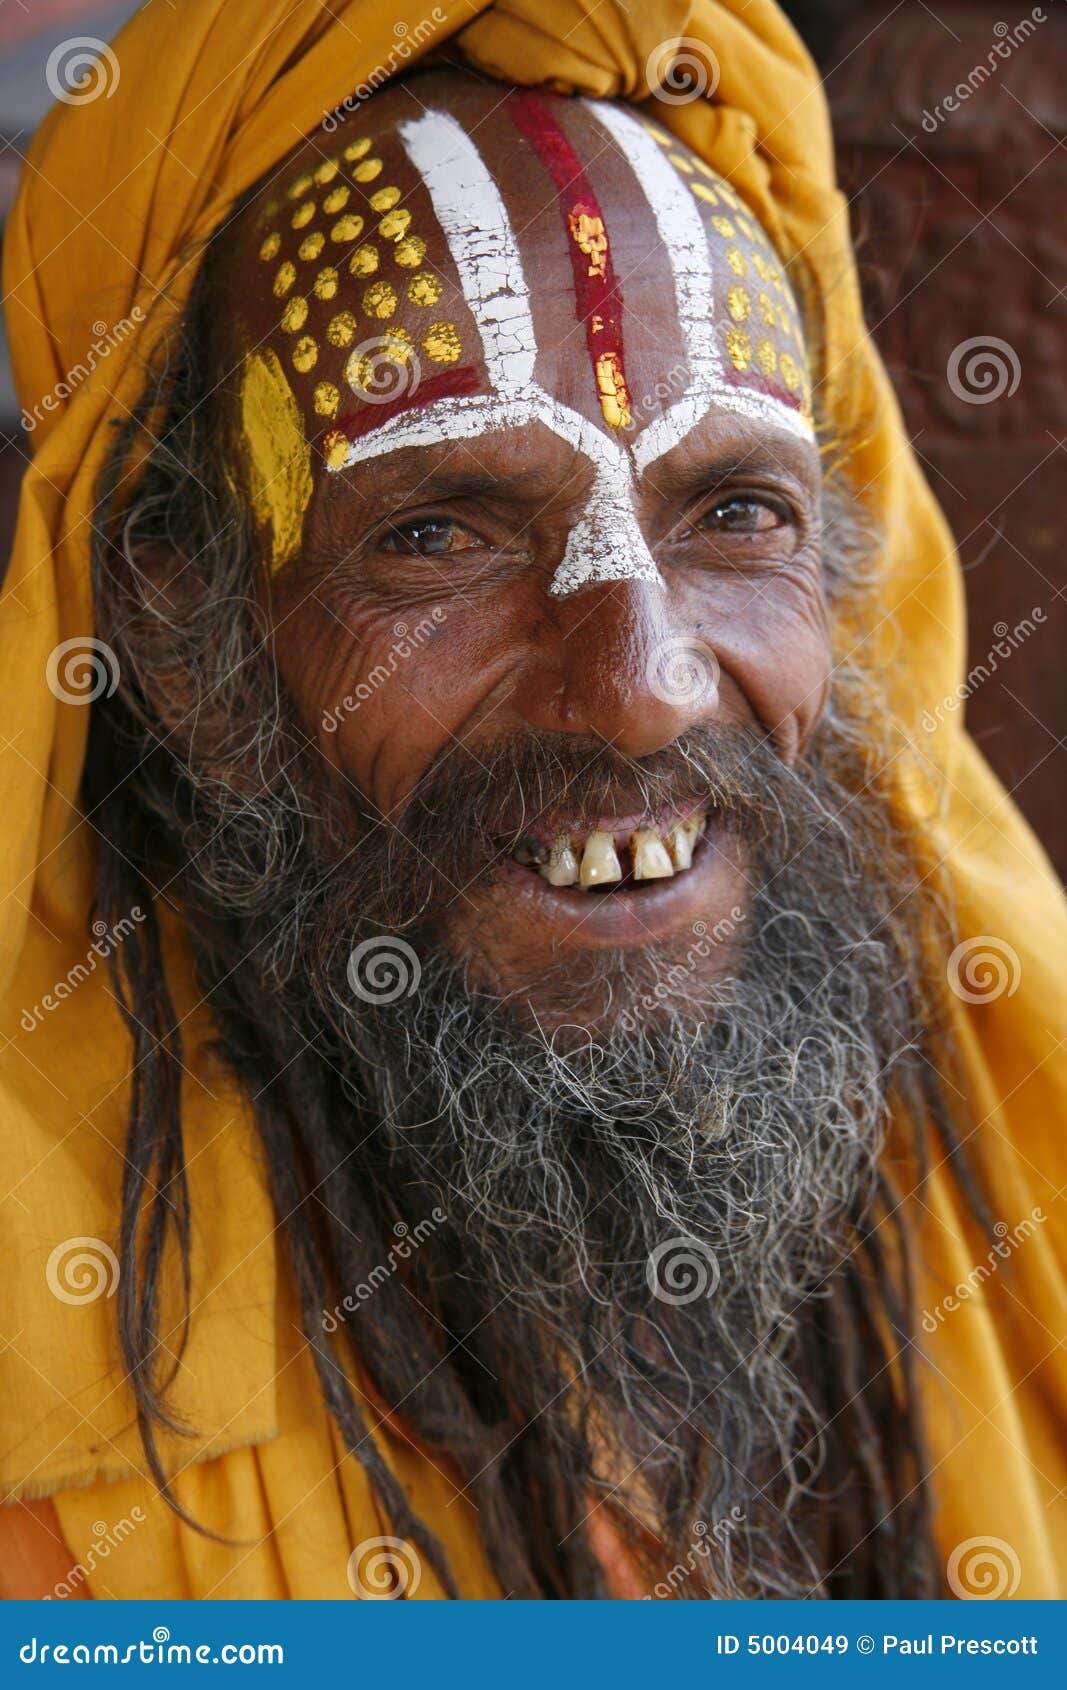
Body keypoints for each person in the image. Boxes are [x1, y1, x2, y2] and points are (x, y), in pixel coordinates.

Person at [1, 0, 1064, 1602]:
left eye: (736, 511)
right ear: (184, 641)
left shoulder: (1015, 1186)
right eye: (441, 535)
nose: (646, 684)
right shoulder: (56, 1489)